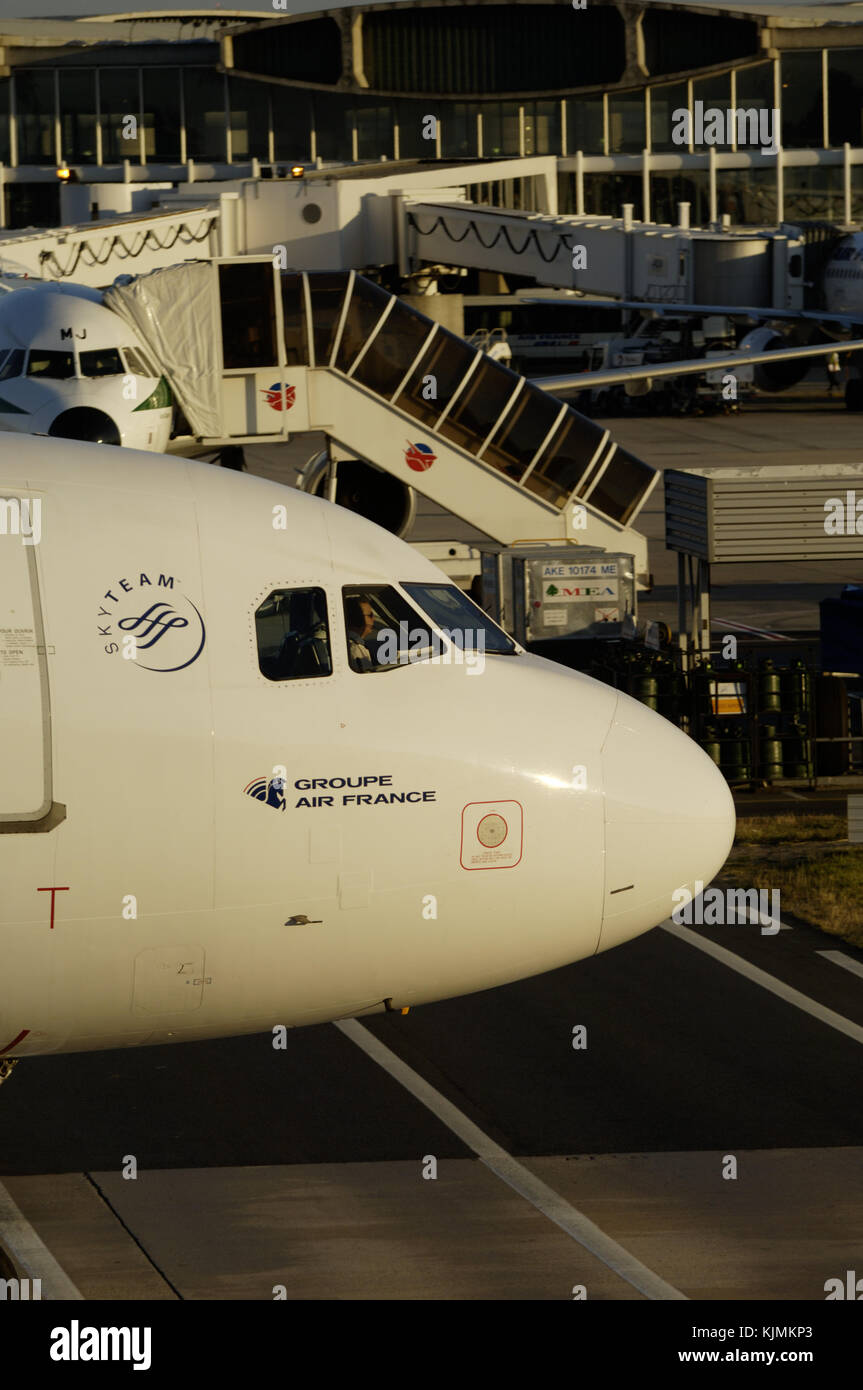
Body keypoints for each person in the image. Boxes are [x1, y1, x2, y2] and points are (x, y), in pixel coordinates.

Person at [345, 595, 376, 671]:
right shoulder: (355, 649)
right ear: (357, 618)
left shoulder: (351, 645)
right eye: (370, 615)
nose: (374, 619)